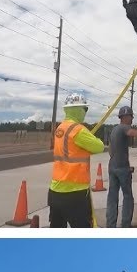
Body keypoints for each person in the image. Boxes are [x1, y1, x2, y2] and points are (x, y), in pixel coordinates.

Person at [49, 93, 105, 228]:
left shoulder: (60, 129)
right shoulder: (78, 130)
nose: (85, 112)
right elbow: (100, 147)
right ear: (78, 109)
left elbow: (71, 150)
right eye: (85, 109)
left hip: (55, 191)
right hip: (75, 192)